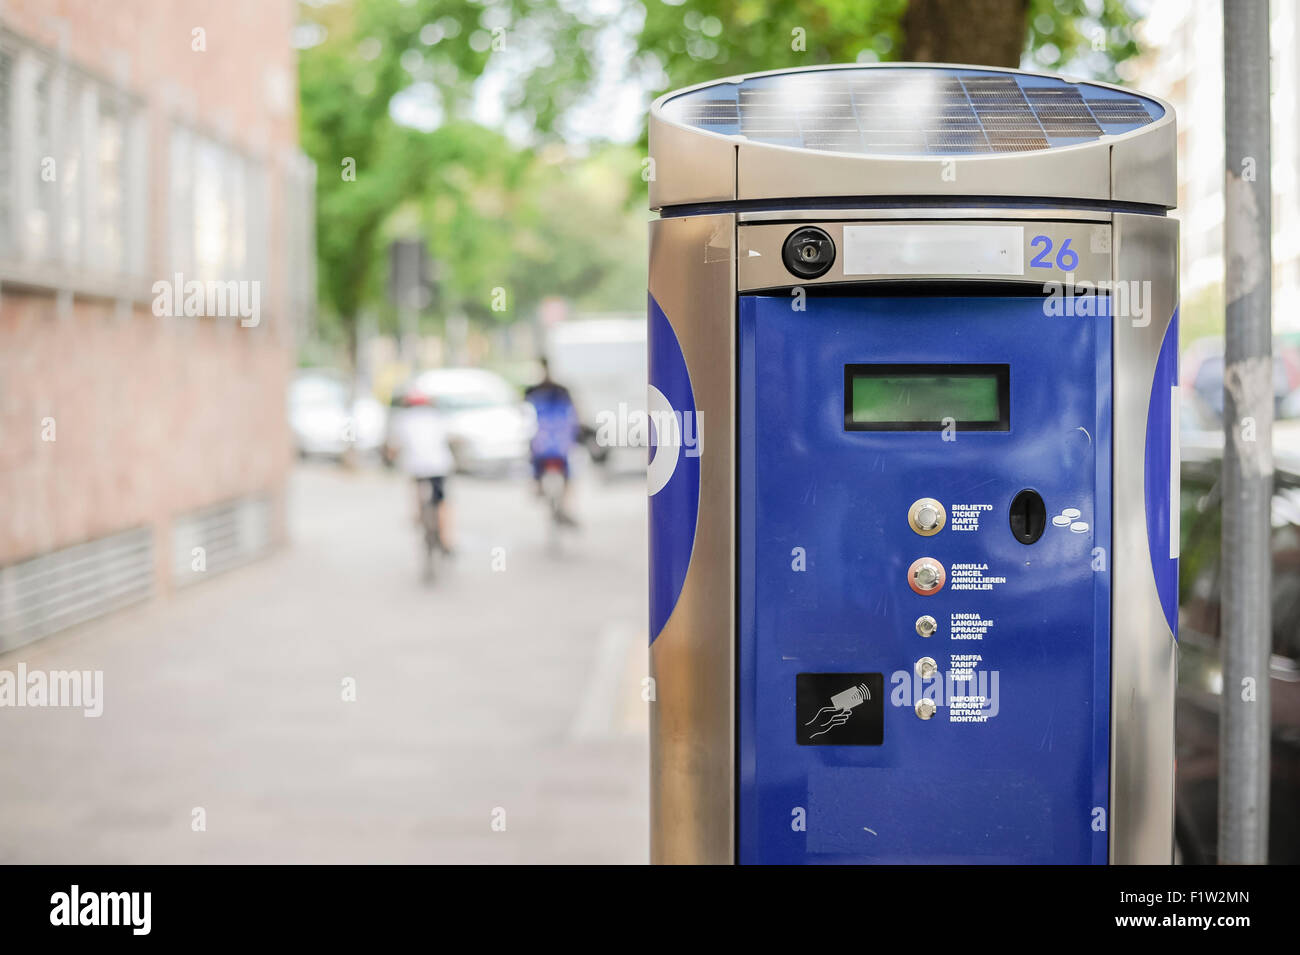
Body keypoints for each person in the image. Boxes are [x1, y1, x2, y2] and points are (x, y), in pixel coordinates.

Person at [391, 390, 455, 553]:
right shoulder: (438, 418)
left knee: (415, 488)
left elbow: (394, 446)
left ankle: (418, 516)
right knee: (441, 502)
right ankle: (447, 540)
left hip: (416, 467)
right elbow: (450, 438)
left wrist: (391, 456)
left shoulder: (403, 420)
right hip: (439, 466)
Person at [524, 358, 580, 526]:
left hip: (546, 442)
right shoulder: (560, 390)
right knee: (569, 473)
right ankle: (563, 504)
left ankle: (543, 490)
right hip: (555, 443)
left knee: (564, 471)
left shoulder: (535, 390)